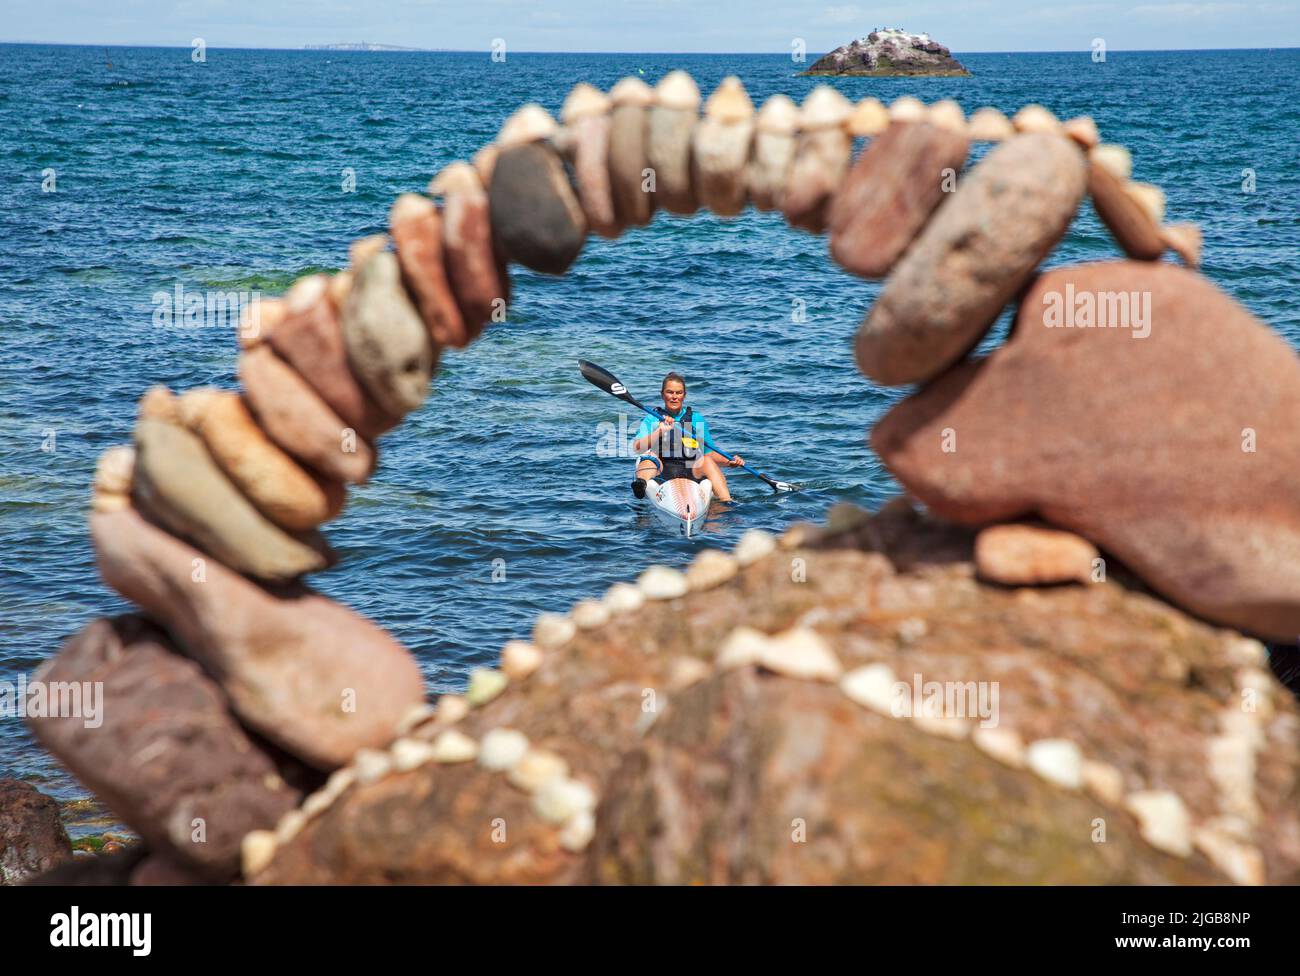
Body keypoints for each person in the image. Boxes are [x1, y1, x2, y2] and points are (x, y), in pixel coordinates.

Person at [629, 372, 743, 502]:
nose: (674, 397)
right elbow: (638, 448)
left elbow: (709, 452)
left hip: (691, 469)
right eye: (670, 392)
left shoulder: (695, 419)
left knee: (706, 460)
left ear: (684, 395)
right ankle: (641, 484)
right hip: (661, 470)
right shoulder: (652, 418)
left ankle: (726, 502)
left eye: (679, 393)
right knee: (649, 458)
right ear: (662, 395)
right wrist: (659, 431)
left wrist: (729, 461)